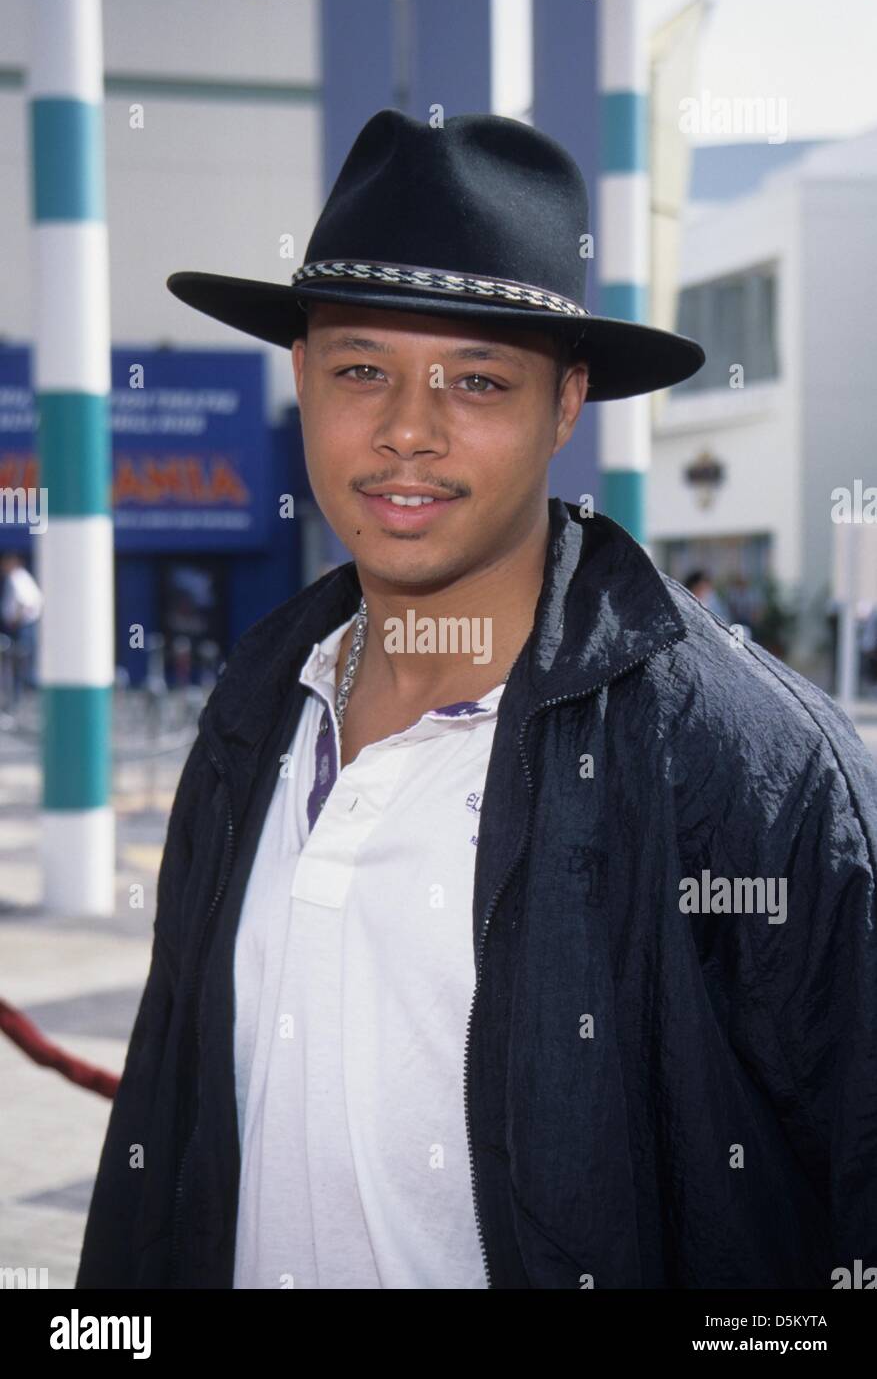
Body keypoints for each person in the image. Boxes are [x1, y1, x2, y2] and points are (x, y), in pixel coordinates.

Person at [76, 109, 877, 1290]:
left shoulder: (745, 767)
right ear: (299, 375)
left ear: (565, 405)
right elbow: (165, 1130)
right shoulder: (257, 705)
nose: (408, 429)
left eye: (478, 380)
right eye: (361, 369)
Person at [0, 551, 43, 704]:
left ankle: (22, 694)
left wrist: (15, 619)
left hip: (22, 627)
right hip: (25, 625)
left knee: (19, 661)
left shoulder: (16, 577)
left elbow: (25, 602)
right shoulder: (22, 576)